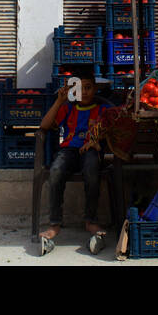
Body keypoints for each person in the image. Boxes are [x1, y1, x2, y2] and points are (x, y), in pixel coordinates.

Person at [37, 66, 114, 256]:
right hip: (69, 150)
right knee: (55, 172)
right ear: (73, 91)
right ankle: (55, 224)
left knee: (91, 169)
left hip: (91, 150)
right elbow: (44, 126)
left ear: (95, 89)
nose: (84, 92)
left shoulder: (103, 109)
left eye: (88, 87)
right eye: (79, 88)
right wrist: (59, 101)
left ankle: (91, 221)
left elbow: (115, 128)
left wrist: (96, 142)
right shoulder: (68, 108)